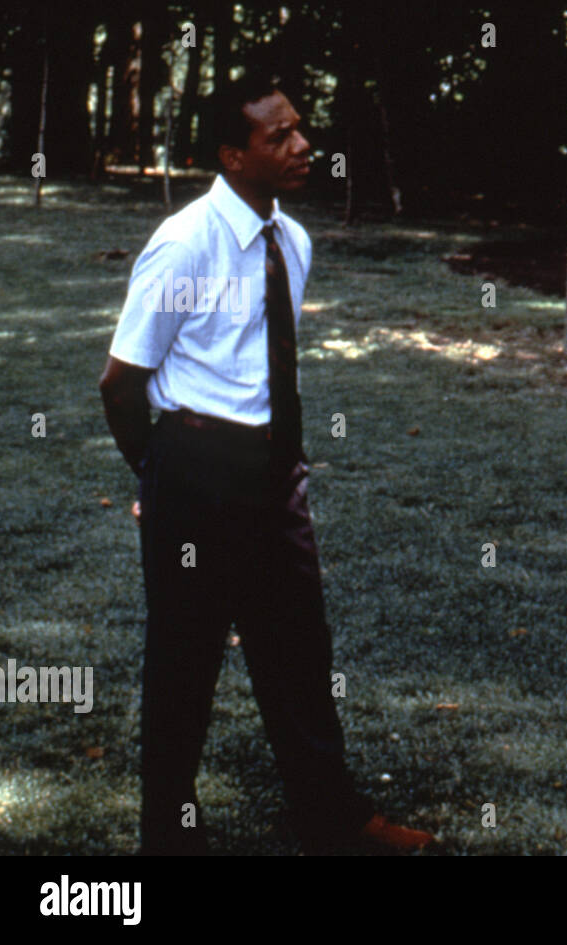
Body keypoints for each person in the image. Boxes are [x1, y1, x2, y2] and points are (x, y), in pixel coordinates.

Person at [99, 75, 435, 855]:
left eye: (299, 129)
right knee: (183, 664)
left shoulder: (294, 240)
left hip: (275, 474)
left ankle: (333, 819)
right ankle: (169, 836)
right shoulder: (186, 243)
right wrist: (158, 473)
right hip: (195, 471)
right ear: (232, 155)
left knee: (298, 653)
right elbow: (120, 382)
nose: (302, 145)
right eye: (278, 136)